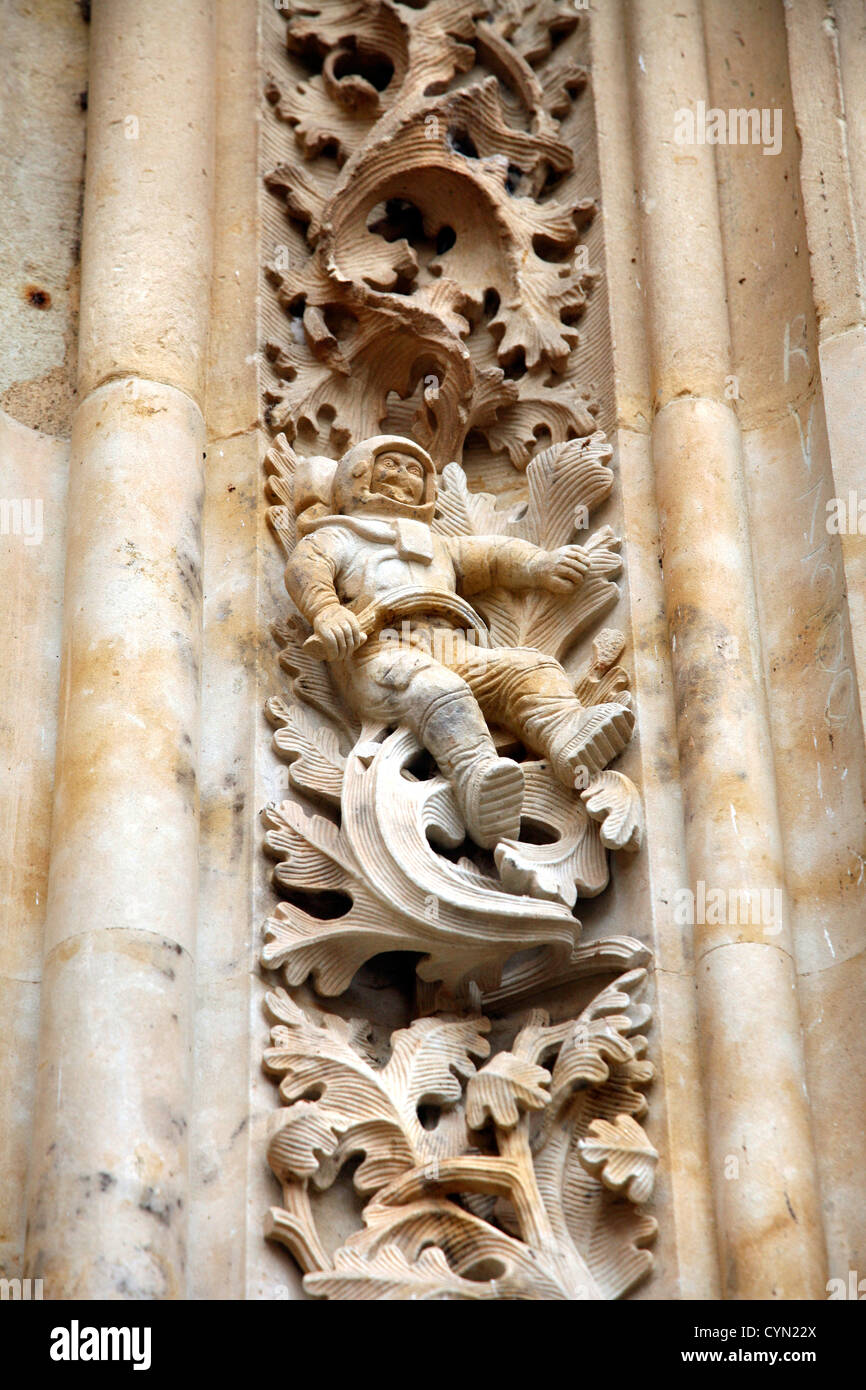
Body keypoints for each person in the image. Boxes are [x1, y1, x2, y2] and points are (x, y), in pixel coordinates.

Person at [284, 435, 633, 847]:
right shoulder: (338, 536)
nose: (403, 476)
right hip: (381, 653)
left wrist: (540, 564)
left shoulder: (438, 546)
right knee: (437, 690)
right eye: (390, 465)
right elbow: (306, 569)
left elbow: (493, 555)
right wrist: (327, 611)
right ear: (357, 474)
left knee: (528, 667)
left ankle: (565, 733)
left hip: (454, 646)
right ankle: (477, 779)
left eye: (415, 471)